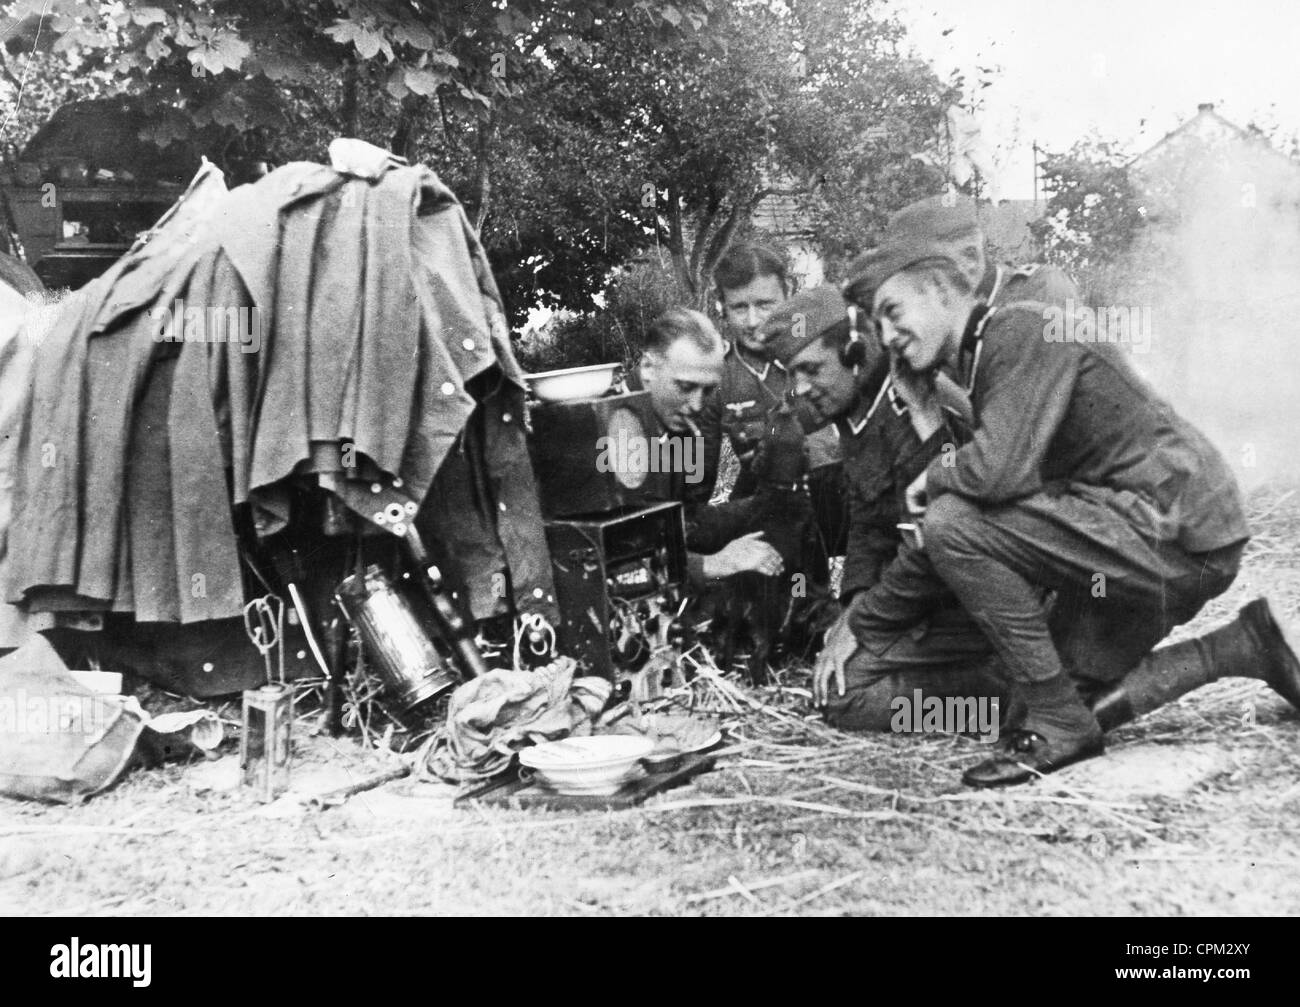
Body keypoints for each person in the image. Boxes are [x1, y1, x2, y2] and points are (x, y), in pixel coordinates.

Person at [812, 233, 1300, 786]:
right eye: (876, 324)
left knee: (954, 525)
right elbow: (965, 496)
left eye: (893, 312)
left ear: (938, 290)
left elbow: (988, 481)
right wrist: (863, 621)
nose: (887, 337)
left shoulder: (1018, 330)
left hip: (1173, 529)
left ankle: (1058, 719)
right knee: (1034, 713)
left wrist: (933, 478)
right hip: (1126, 542)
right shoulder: (979, 365)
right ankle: (1240, 647)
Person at [630, 307, 786, 585]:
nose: (697, 405)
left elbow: (687, 520)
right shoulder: (608, 430)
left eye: (708, 390)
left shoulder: (679, 426)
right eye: (685, 387)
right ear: (648, 369)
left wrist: (766, 503)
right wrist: (710, 564)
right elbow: (611, 554)